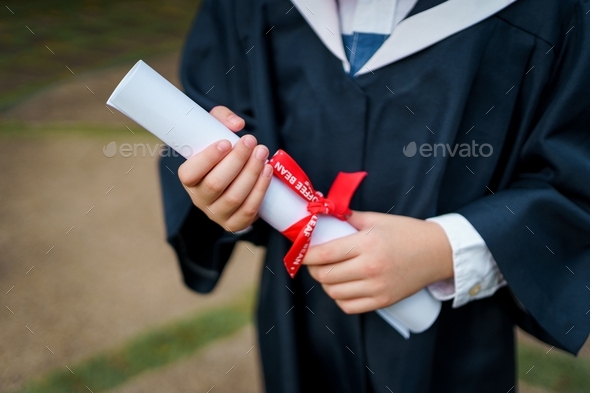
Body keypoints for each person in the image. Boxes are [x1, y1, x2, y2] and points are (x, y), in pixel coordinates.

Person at [158, 0, 590, 391]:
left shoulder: (552, 11)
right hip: (297, 313)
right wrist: (225, 189)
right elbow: (205, 114)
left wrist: (447, 249)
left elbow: (577, 171)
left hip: (453, 336)